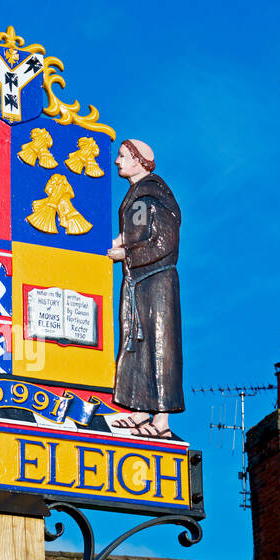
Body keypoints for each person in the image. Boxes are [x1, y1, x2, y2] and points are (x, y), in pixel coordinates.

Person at [106, 139, 184, 437]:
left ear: (139, 161)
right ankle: (139, 408)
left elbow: (164, 242)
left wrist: (127, 253)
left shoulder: (152, 195)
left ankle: (161, 419)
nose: (117, 161)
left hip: (157, 280)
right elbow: (132, 234)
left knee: (159, 343)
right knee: (136, 340)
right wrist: (112, 244)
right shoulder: (138, 196)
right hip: (138, 279)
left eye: (123, 156)